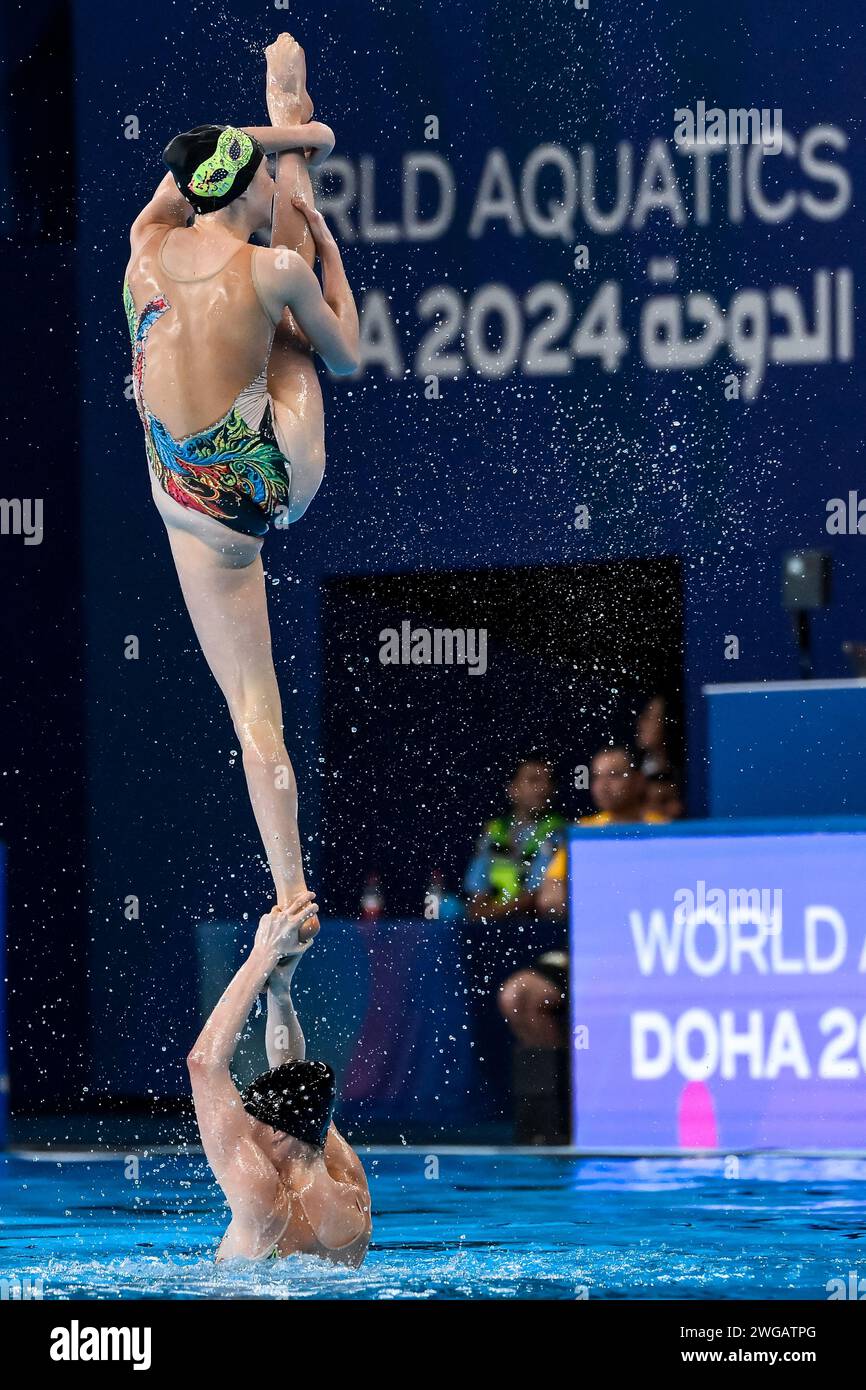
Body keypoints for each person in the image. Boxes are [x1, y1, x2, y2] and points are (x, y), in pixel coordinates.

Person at [123, 34, 359, 911]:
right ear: (248, 179)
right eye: (263, 170)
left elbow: (179, 183)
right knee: (296, 337)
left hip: (184, 501)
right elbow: (350, 356)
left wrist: (280, 135)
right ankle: (292, 883)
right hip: (270, 482)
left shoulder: (142, 246)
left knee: (253, 713)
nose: (266, 179)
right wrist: (298, 149)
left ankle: (291, 892)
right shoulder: (273, 269)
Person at [187, 892, 371, 1266]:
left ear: (277, 1133)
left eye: (251, 1119)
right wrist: (280, 992)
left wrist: (262, 955)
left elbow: (204, 1065)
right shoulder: (353, 1195)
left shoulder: (261, 1199)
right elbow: (293, 1078)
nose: (244, 1126)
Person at [463, 757, 564, 921]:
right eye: (533, 780)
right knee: (449, 909)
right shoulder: (494, 830)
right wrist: (480, 913)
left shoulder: (558, 831)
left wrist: (488, 914)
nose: (543, 788)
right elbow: (477, 895)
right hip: (492, 924)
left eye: (548, 781)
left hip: (536, 926)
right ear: (513, 789)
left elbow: (536, 897)